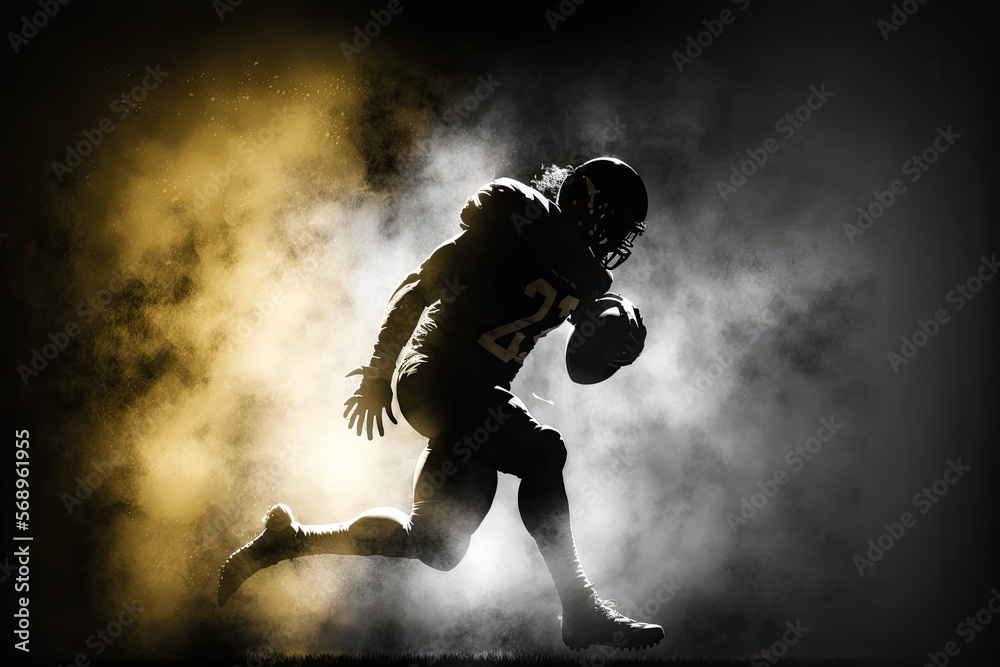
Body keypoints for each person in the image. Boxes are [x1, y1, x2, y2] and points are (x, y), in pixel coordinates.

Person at [218, 157, 663, 650]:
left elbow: (585, 335)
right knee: (544, 451)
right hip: (437, 375)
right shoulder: (521, 220)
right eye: (617, 225)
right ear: (592, 207)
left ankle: (291, 540)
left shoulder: (586, 275)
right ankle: (580, 610)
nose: (618, 242)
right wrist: (378, 371)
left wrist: (619, 333)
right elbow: (418, 287)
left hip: (477, 401)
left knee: (437, 544)